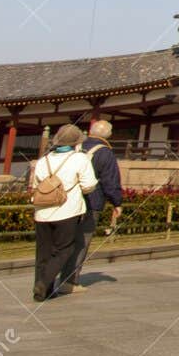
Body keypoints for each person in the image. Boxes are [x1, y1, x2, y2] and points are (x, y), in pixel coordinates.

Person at [29, 124, 98, 301]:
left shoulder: (44, 160)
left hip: (42, 211)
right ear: (76, 143)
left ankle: (42, 289)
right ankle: (44, 282)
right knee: (63, 249)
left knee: (43, 251)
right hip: (67, 210)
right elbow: (89, 185)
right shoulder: (80, 159)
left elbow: (36, 185)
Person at [64, 118, 123, 292]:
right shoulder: (105, 152)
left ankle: (52, 278)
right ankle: (69, 281)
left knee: (64, 241)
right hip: (91, 202)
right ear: (109, 135)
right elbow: (109, 181)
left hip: (67, 201)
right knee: (82, 241)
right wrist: (117, 202)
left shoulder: (75, 147)